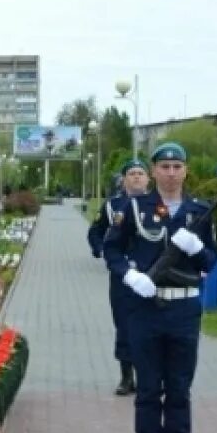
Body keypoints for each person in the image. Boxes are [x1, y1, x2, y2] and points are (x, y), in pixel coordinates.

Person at [102, 142, 217, 433]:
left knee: (179, 390)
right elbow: (111, 248)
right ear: (153, 172)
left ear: (185, 171)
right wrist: (129, 275)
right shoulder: (134, 208)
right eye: (164, 166)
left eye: (176, 166)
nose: (170, 172)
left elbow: (212, 262)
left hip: (184, 311)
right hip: (146, 311)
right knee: (149, 389)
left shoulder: (199, 211)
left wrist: (198, 249)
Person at [87, 158, 150, 396]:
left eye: (140, 173)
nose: (136, 177)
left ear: (148, 178)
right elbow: (96, 231)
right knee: (124, 325)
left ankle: (147, 376)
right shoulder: (113, 206)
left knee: (149, 326)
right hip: (123, 276)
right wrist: (101, 251)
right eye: (131, 173)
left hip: (151, 275)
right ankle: (126, 377)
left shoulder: (158, 204)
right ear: (124, 179)